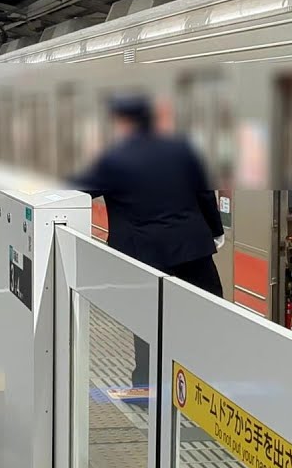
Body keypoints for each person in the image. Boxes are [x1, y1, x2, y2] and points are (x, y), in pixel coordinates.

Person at [74, 95, 225, 388]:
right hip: (192, 249)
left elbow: (79, 190)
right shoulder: (183, 150)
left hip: (141, 255)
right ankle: (205, 384)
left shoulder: (112, 159)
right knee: (205, 316)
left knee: (147, 321)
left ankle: (146, 384)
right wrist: (215, 231)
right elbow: (205, 192)